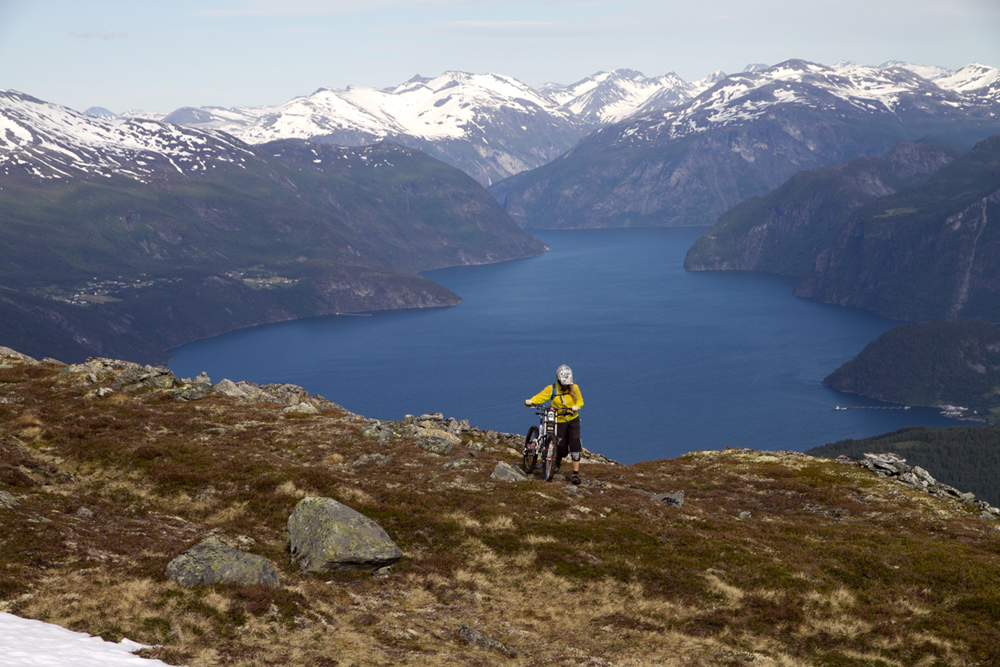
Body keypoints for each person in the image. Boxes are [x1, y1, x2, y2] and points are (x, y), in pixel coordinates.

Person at [525, 364, 584, 485]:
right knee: (561, 448)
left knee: (575, 445)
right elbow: (540, 397)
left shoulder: (575, 388)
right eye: (564, 383)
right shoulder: (551, 389)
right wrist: (530, 401)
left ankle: (575, 474)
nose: (566, 385)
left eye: (567, 383)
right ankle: (556, 462)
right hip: (559, 421)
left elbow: (580, 401)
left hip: (573, 420)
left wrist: (577, 406)